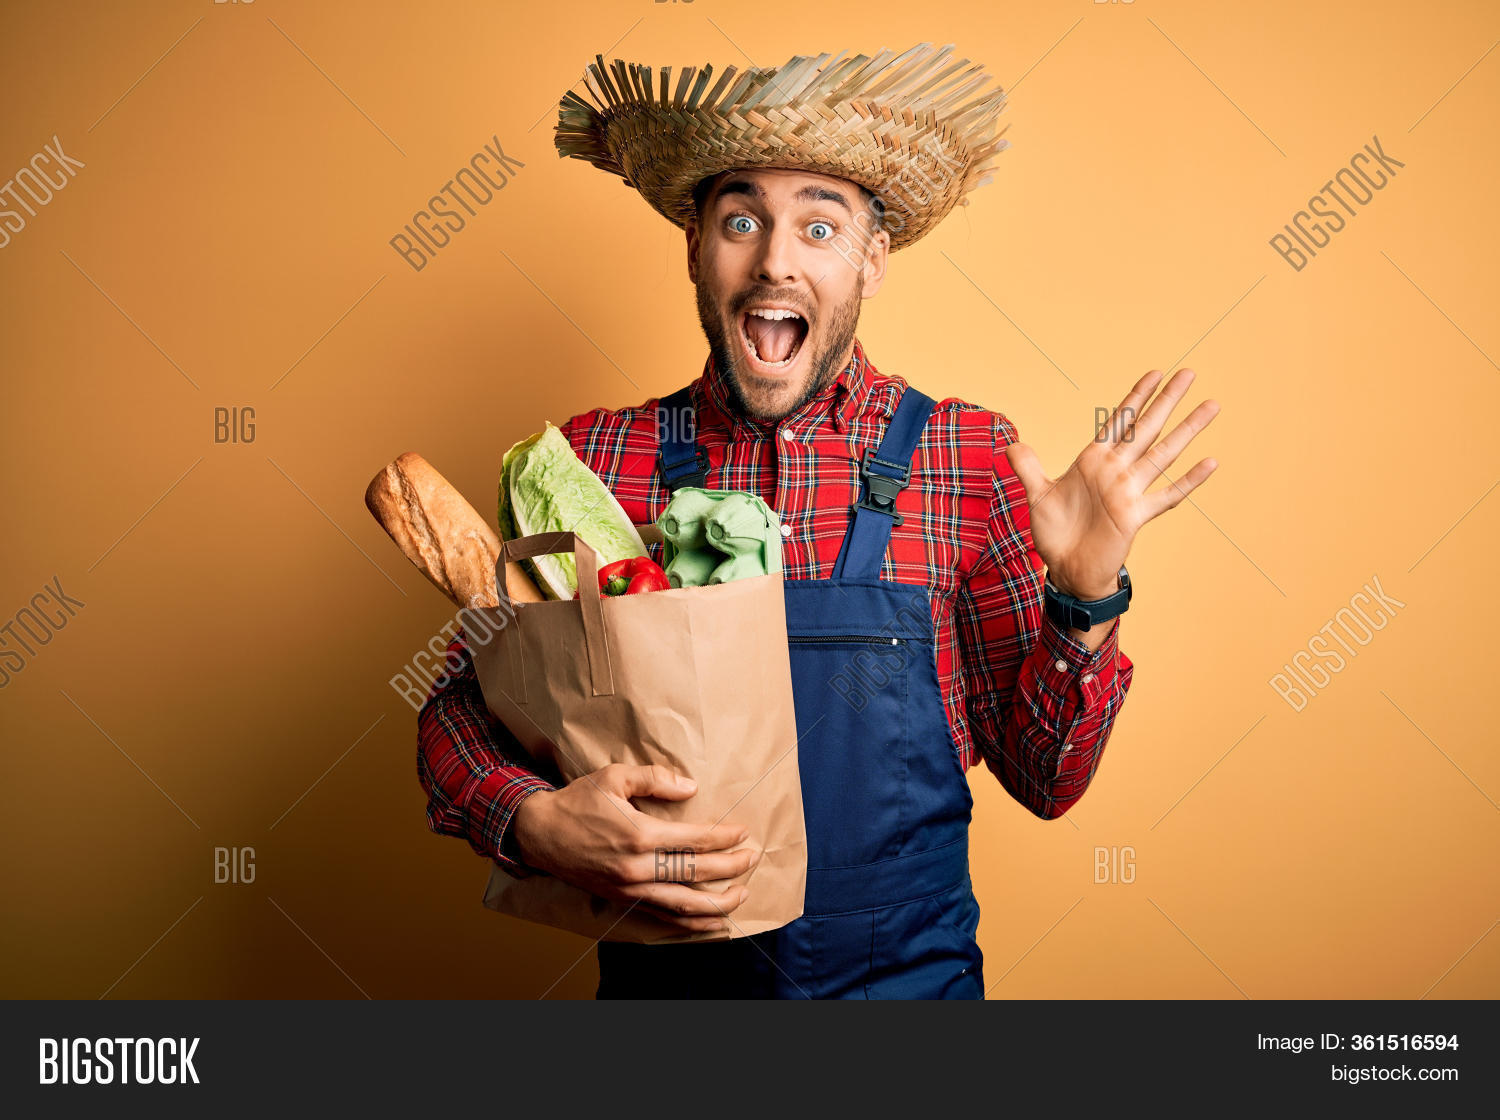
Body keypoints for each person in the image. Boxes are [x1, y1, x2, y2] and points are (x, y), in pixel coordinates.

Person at [417, 44, 1220, 998]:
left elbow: (1049, 781)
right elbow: (461, 712)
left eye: (821, 226)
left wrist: (1084, 596)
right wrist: (531, 822)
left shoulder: (966, 461)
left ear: (873, 260)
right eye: (742, 220)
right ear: (693, 248)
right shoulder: (595, 465)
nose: (775, 263)